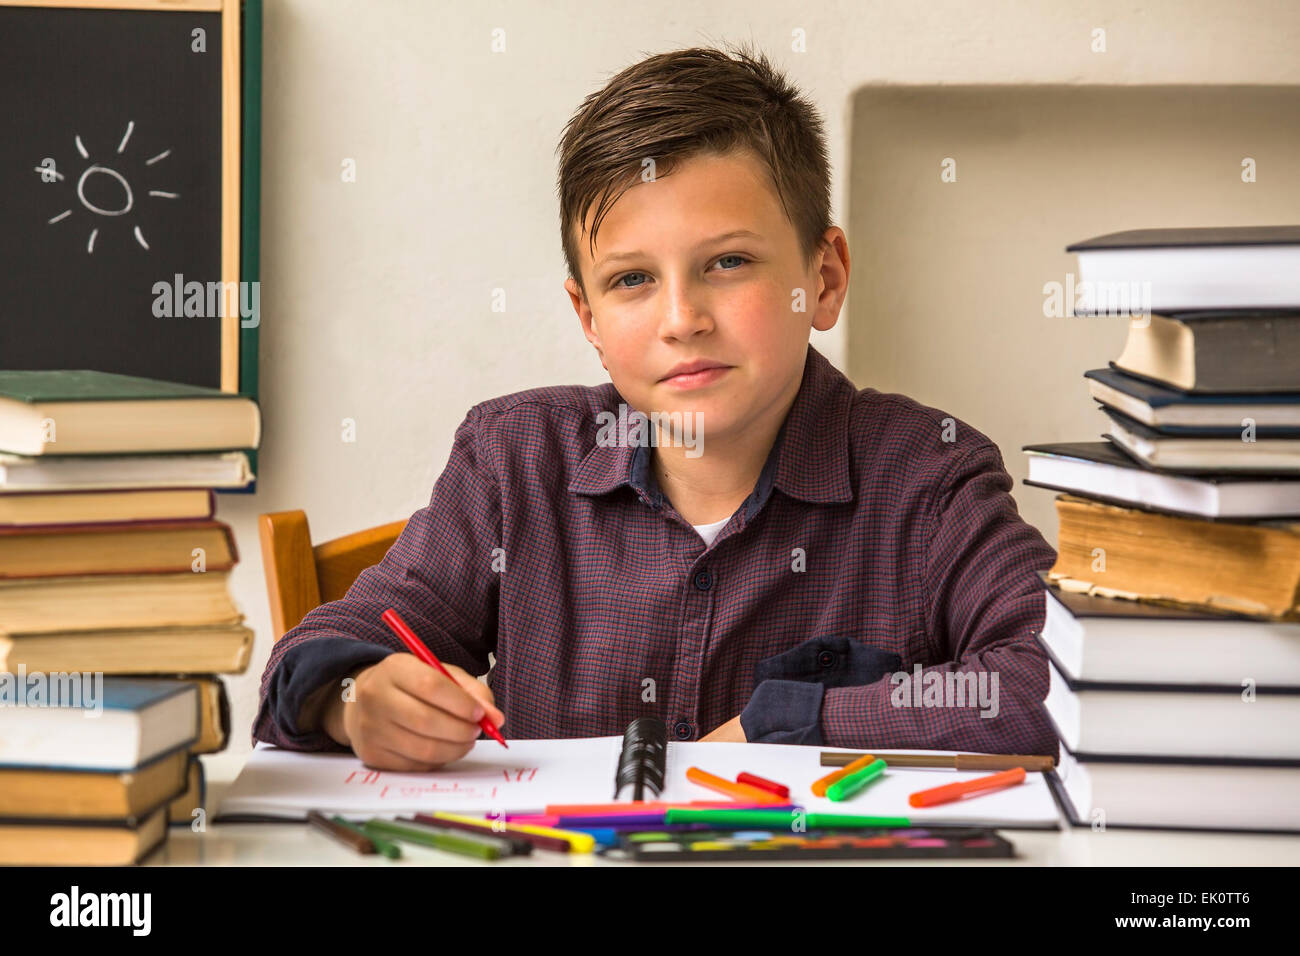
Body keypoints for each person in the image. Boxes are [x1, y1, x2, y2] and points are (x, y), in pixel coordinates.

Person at [253, 43, 1059, 771]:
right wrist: (351, 695)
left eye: (729, 262)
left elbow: (1047, 683)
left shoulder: (928, 476)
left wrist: (795, 721)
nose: (682, 319)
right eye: (632, 280)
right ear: (589, 318)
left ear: (825, 277)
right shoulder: (513, 460)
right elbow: (312, 656)